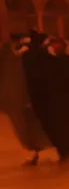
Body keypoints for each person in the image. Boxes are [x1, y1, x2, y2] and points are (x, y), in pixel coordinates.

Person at [0, 37, 51, 165]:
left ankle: (34, 151)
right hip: (25, 102)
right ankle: (36, 150)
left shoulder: (17, 60)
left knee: (27, 128)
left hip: (23, 102)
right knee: (29, 128)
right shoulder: (17, 60)